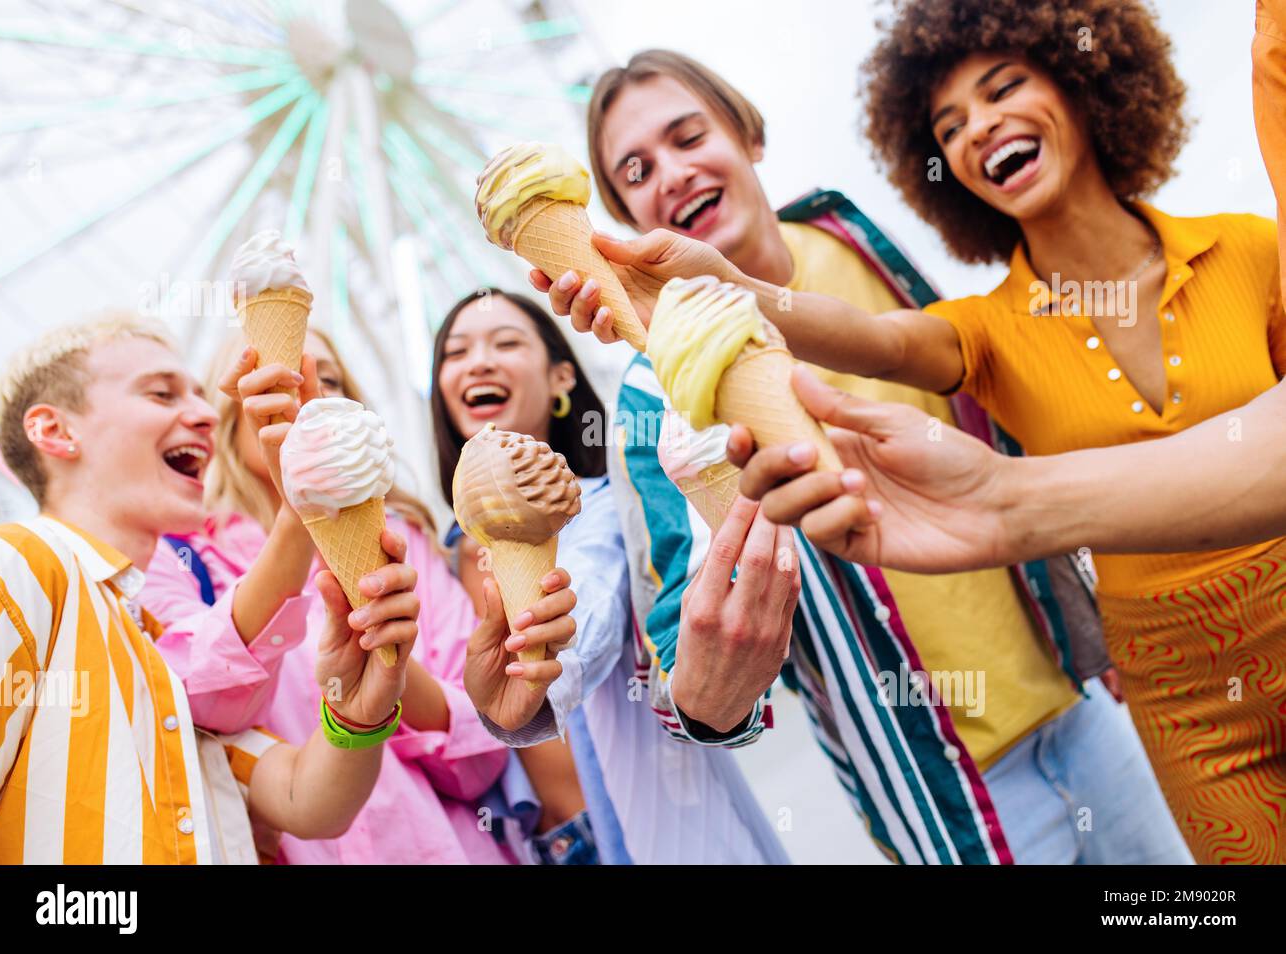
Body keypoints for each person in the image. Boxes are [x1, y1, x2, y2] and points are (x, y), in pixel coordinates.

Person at [555, 3, 1286, 864]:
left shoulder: (850, 237)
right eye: (635, 170)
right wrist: (712, 696)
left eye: (687, 137)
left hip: (1084, 713)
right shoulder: (650, 399)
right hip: (947, 787)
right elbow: (691, 663)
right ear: (625, 215)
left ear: (748, 136)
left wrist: (1089, 635)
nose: (669, 173)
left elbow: (995, 423)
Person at [732, 0, 1286, 572]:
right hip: (1154, 660)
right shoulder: (985, 331)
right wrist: (723, 290)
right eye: (951, 128)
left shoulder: (1247, 247)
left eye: (1003, 90)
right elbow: (880, 342)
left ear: (1079, 84)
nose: (979, 127)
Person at [0, 314, 419, 863]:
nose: (206, 415)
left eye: (198, 395)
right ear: (55, 431)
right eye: (162, 394)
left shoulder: (160, 632)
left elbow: (306, 801)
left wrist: (356, 711)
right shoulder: (16, 566)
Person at [140, 328, 573, 864]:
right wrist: (300, 517)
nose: (304, 401)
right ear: (231, 411)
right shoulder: (173, 554)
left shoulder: (404, 538)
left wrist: (388, 668)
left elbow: (483, 751)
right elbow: (196, 704)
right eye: (279, 381)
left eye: (326, 383)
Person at [434, 287, 790, 864]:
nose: (480, 361)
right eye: (456, 352)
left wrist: (547, 663)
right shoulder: (438, 555)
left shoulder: (604, 508)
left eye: (506, 343)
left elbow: (590, 600)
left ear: (561, 381)